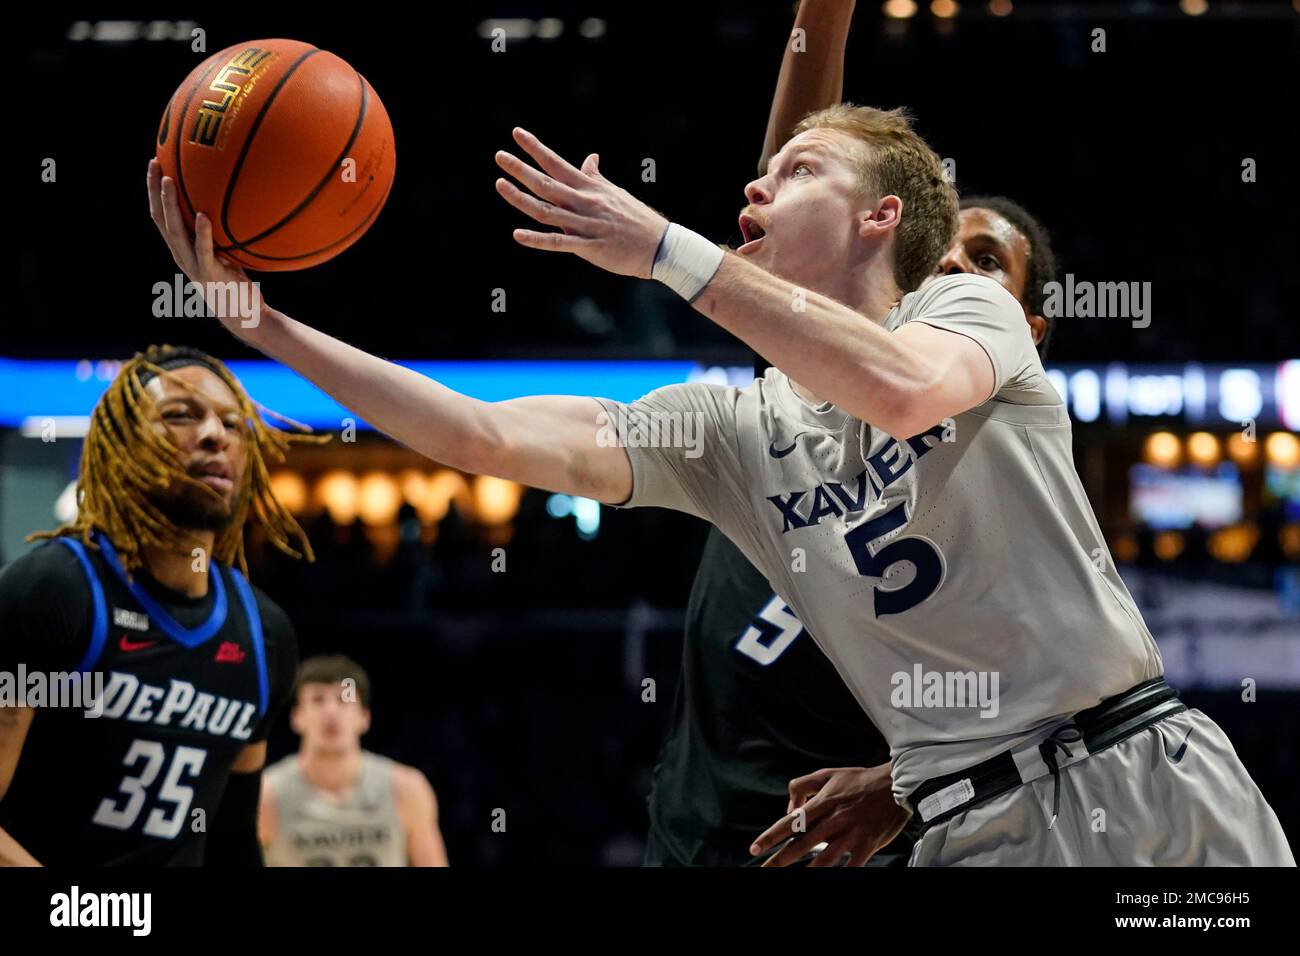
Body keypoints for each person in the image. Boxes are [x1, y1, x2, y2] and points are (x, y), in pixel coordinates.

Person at [146, 80, 1293, 863]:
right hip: (962, 822)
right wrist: (270, 331)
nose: (753, 185)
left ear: (879, 216)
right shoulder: (732, 429)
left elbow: (896, 387)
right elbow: (484, 436)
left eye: (793, 170)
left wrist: (662, 249)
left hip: (1141, 781)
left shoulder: (964, 305)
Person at [647, 0, 1067, 868]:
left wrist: (898, 784)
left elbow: (1048, 697)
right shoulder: (807, 376)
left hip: (851, 848)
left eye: (985, 263)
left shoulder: (1017, 477)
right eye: (943, 246)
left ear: (1023, 332)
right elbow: (798, 183)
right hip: (697, 837)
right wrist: (821, 14)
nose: (952, 263)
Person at [0, 345, 314, 865]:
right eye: (180, 415)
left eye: (234, 424)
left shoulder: (263, 635)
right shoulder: (54, 592)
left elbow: (232, 841)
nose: (216, 435)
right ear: (123, 445)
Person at [260, 654, 449, 866]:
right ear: (297, 717)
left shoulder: (406, 788)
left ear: (364, 717)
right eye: (318, 699)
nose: (331, 711)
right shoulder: (267, 796)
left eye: (343, 699)